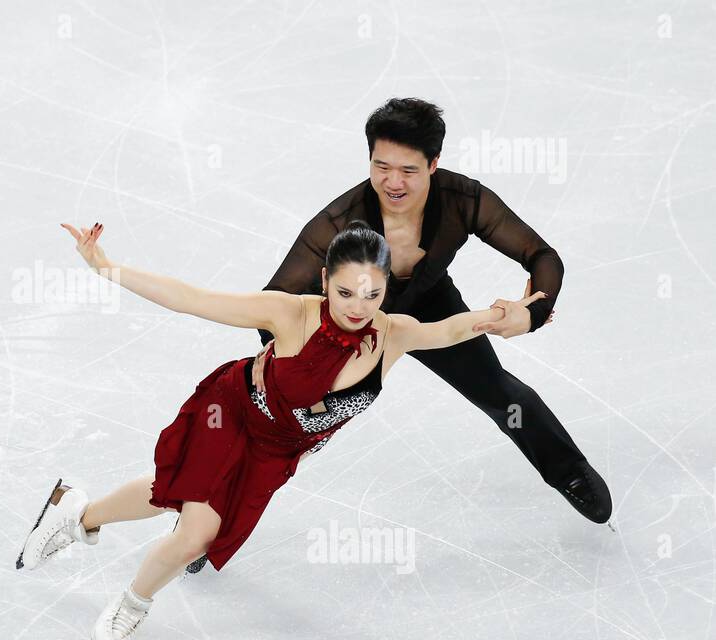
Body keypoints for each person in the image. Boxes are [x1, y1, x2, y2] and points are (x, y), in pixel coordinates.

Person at [17, 219, 543, 640]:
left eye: (372, 293)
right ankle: (133, 604)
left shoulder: (394, 334)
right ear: (323, 280)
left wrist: (505, 316)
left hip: (278, 452)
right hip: (232, 412)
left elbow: (450, 331)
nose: (358, 307)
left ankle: (76, 515)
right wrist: (107, 266)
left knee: (165, 491)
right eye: (343, 292)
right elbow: (194, 300)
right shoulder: (289, 313)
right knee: (196, 531)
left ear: (386, 288)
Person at [254, 98, 610, 524]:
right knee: (279, 430)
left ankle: (569, 471)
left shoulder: (463, 199)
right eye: (381, 167)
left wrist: (532, 313)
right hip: (351, 323)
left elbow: (541, 255)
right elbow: (275, 297)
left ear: (433, 163)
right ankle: (207, 516)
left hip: (430, 308)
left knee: (502, 393)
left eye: (408, 170)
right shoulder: (338, 221)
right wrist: (289, 360)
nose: (392, 182)